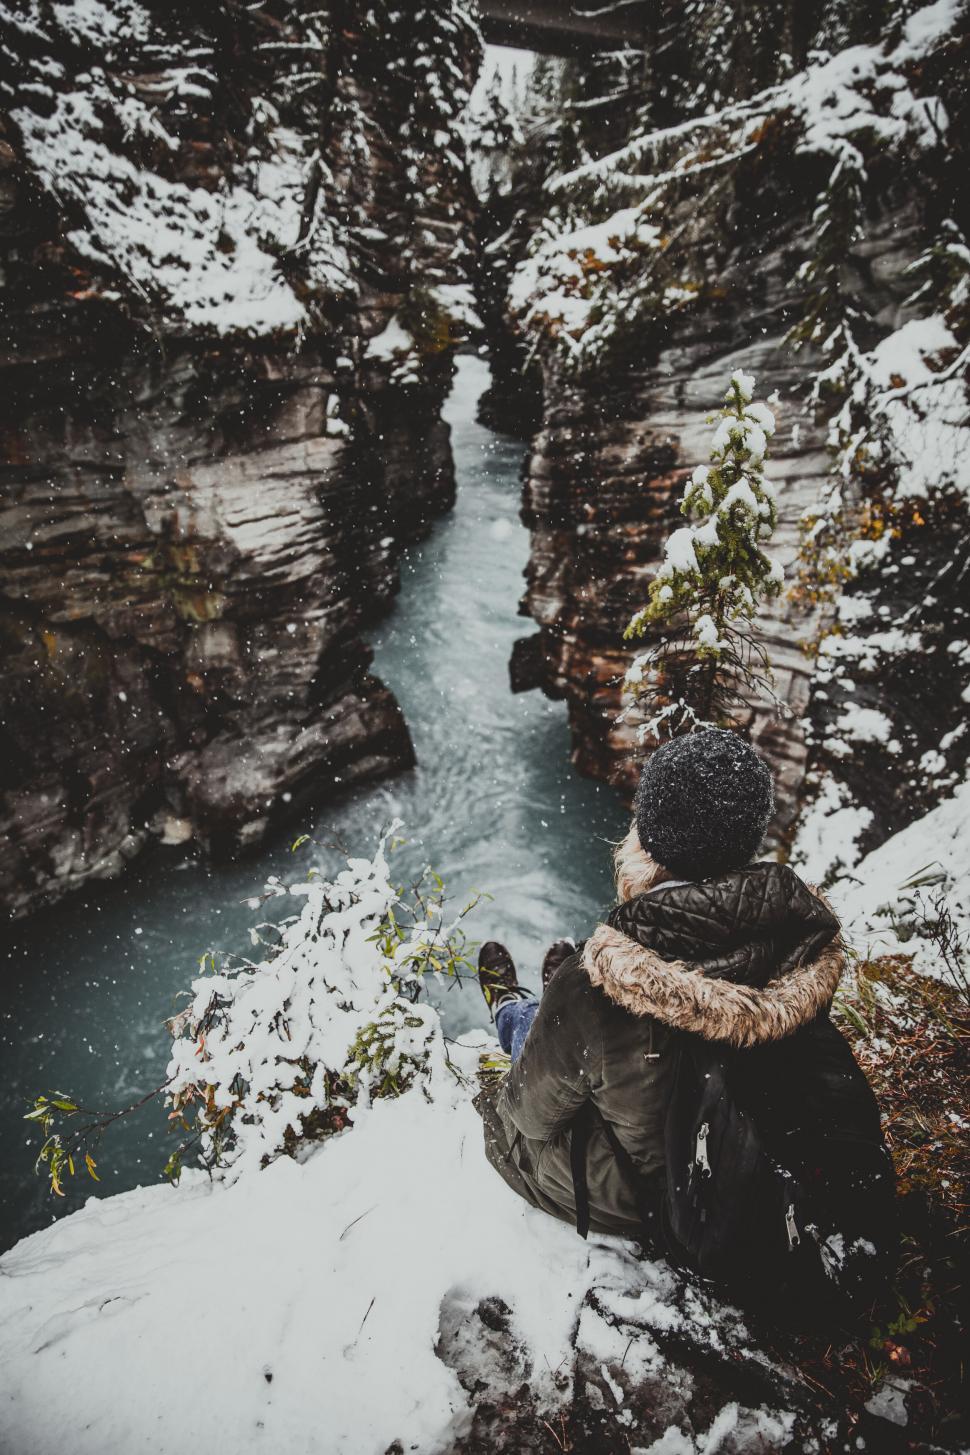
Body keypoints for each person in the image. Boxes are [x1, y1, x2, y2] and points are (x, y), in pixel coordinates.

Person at [475, 728, 894, 1305]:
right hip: (738, 1163)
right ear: (749, 837)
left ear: (647, 838)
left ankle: (511, 1008)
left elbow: (528, 1114)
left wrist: (505, 1089)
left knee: (515, 1100)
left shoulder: (599, 985)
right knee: (575, 1028)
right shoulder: (794, 938)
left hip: (657, 1192)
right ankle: (534, 1010)